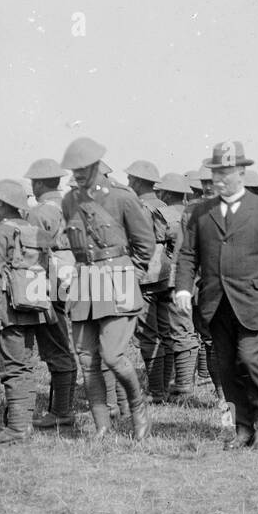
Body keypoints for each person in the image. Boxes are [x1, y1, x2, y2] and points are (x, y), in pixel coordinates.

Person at [175, 141, 258, 450]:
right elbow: (188, 255)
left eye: (226, 172)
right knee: (226, 366)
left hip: (254, 302)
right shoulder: (201, 212)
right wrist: (183, 287)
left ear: (241, 173)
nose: (219, 178)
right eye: (216, 172)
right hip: (216, 303)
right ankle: (242, 427)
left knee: (251, 360)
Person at [58, 137, 155, 440]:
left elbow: (145, 244)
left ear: (97, 166)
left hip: (118, 279)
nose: (78, 175)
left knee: (113, 356)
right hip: (85, 282)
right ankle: (102, 425)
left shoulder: (121, 198)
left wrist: (130, 275)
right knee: (87, 359)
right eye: (74, 170)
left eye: (83, 169)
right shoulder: (69, 201)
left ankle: (138, 408)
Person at [0, 179, 56, 443]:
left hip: (7, 307)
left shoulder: (1, 231)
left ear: (2, 204)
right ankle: (21, 422)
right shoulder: (31, 228)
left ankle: (17, 427)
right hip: (33, 305)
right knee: (25, 366)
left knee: (13, 368)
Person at [24, 158, 79, 427]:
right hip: (74, 276)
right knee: (63, 341)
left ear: (40, 183)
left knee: (55, 343)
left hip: (48, 278)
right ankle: (62, 408)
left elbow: (31, 253)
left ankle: (61, 411)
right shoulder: (72, 205)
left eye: (34, 182)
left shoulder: (38, 213)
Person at [127, 160, 177, 403]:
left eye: (130, 179)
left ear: (137, 181)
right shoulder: (164, 206)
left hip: (146, 272)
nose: (128, 183)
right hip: (165, 270)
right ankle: (164, 386)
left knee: (148, 333)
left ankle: (156, 391)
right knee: (165, 330)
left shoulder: (139, 207)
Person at [152, 172, 199, 397]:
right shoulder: (196, 211)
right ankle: (196, 378)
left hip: (177, 275)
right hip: (200, 277)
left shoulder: (165, 215)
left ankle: (182, 385)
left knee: (180, 329)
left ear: (166, 193)